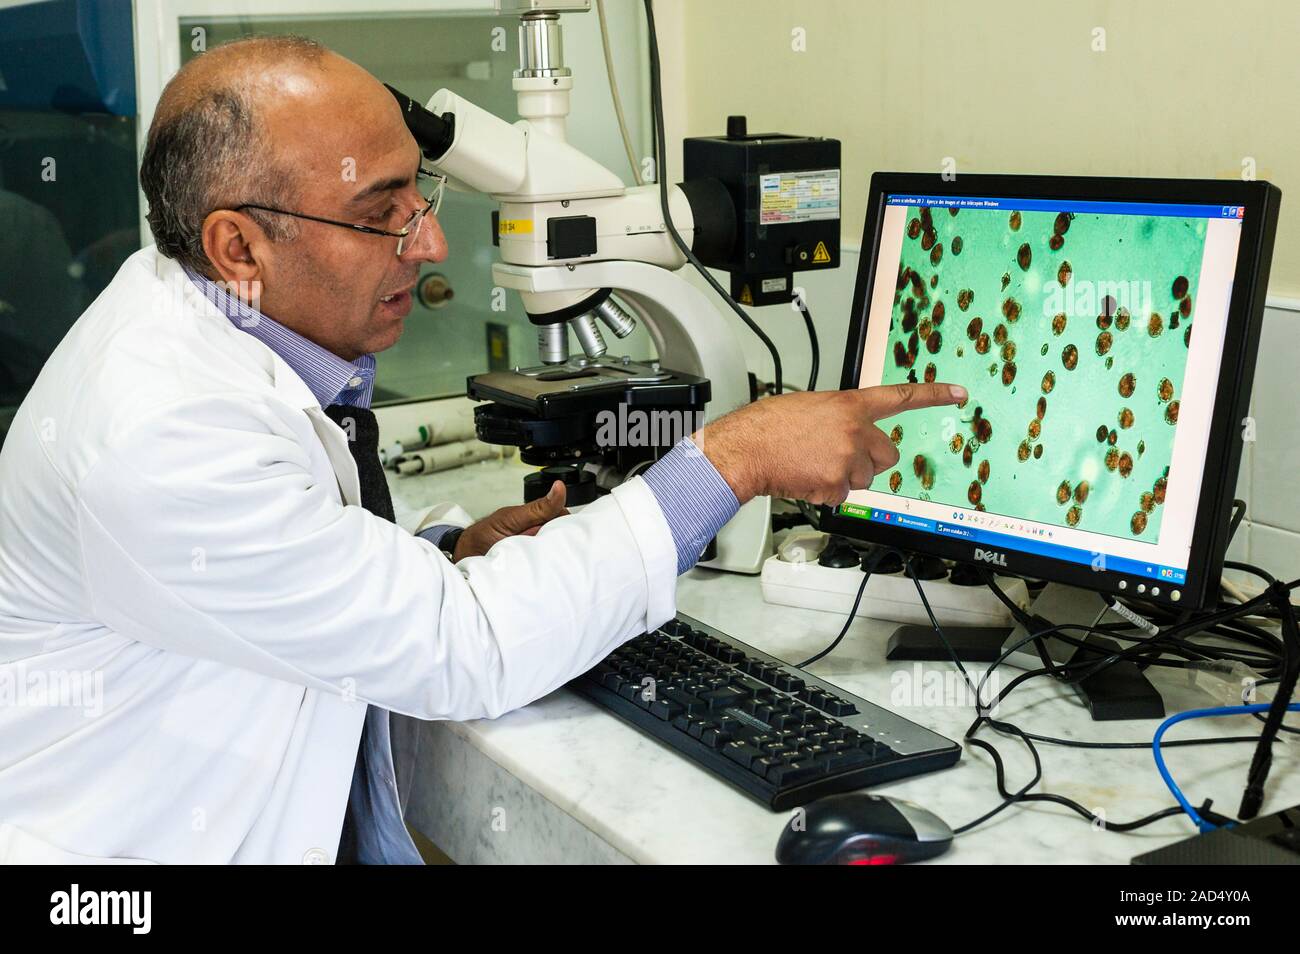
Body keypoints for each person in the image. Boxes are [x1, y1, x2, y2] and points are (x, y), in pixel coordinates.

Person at [0, 36, 965, 863]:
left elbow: (287, 571)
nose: (426, 247)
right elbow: (467, 650)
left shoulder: (210, 314)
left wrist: (442, 559)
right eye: (379, 215)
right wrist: (732, 459)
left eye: (418, 197)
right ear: (238, 247)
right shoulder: (161, 431)